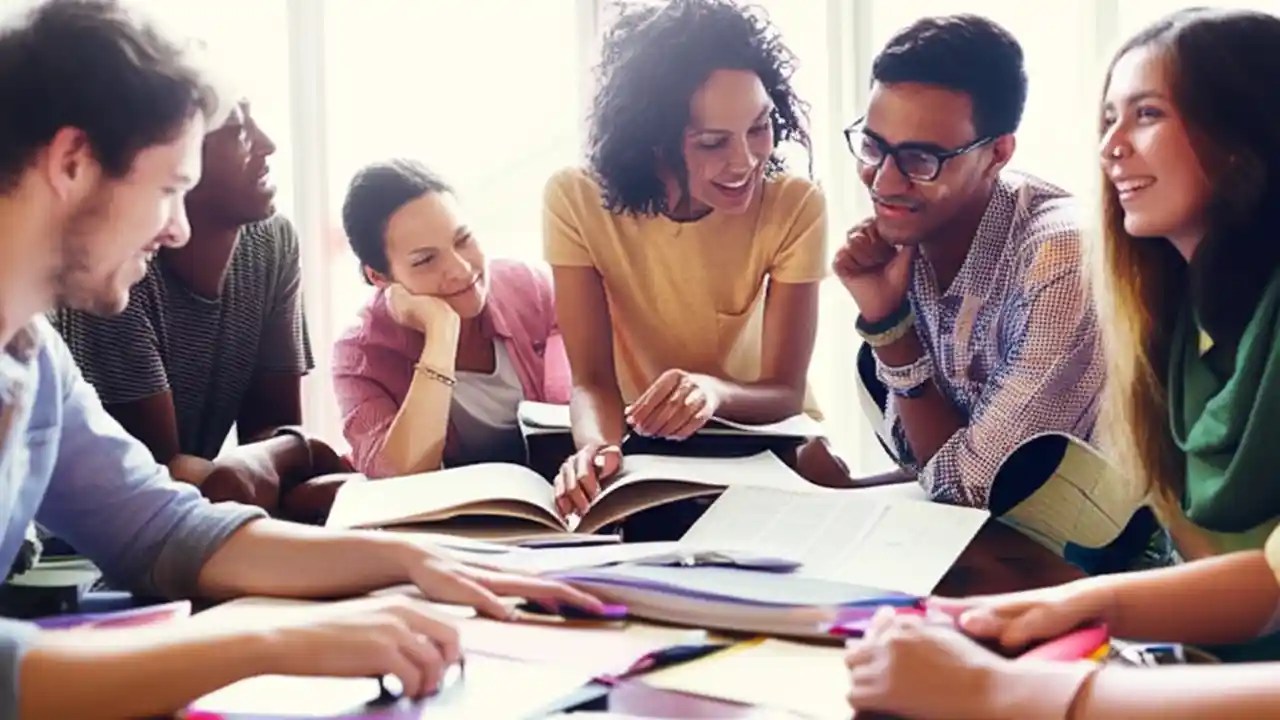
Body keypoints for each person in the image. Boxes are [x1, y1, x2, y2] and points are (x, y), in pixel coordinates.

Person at [0, 2, 598, 717]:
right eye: (168, 191)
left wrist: (413, 561)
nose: (179, 228)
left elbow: (165, 530)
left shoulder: (38, 361)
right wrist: (273, 640)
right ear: (72, 163)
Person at [844, 9, 1280, 718]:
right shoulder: (1183, 323)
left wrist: (1011, 692)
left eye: (1146, 113)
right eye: (1108, 117)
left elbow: (966, 486)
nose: (1109, 147)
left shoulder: (1063, 255)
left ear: (1242, 139)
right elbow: (1269, 582)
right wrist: (1065, 606)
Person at [799, 15, 1105, 510]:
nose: (884, 183)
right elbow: (931, 468)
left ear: (997, 152)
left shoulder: (1063, 259)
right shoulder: (912, 239)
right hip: (993, 548)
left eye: (921, 160)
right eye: (874, 147)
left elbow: (980, 493)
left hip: (1097, 568)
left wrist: (891, 334)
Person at [544, 0, 827, 518]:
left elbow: (785, 392)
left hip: (770, 442)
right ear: (652, 141)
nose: (745, 160)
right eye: (713, 142)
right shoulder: (575, 200)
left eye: (760, 127)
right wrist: (596, 451)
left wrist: (712, 392)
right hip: (649, 449)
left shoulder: (794, 204)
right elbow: (591, 379)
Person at [52, 91, 353, 522]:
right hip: (88, 548)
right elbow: (159, 483)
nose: (268, 144)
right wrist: (297, 453)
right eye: (239, 132)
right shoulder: (115, 276)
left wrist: (288, 453)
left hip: (188, 526)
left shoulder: (271, 242)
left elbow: (269, 454)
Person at [333, 159, 570, 477]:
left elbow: (571, 413)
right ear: (379, 276)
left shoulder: (530, 290)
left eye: (463, 240)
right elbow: (401, 475)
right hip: (448, 524)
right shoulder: (359, 355)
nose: (461, 269)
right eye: (426, 260)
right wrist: (440, 332)